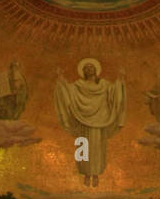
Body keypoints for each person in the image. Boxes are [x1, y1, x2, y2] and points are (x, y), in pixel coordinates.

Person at [54, 59, 126, 187]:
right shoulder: (78, 85)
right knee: (83, 147)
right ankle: (86, 174)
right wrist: (60, 78)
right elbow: (67, 92)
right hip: (83, 122)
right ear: (83, 71)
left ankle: (96, 175)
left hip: (99, 121)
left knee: (98, 148)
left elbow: (114, 93)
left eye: (91, 67)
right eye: (86, 68)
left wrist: (120, 79)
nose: (89, 69)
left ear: (96, 70)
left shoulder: (104, 85)